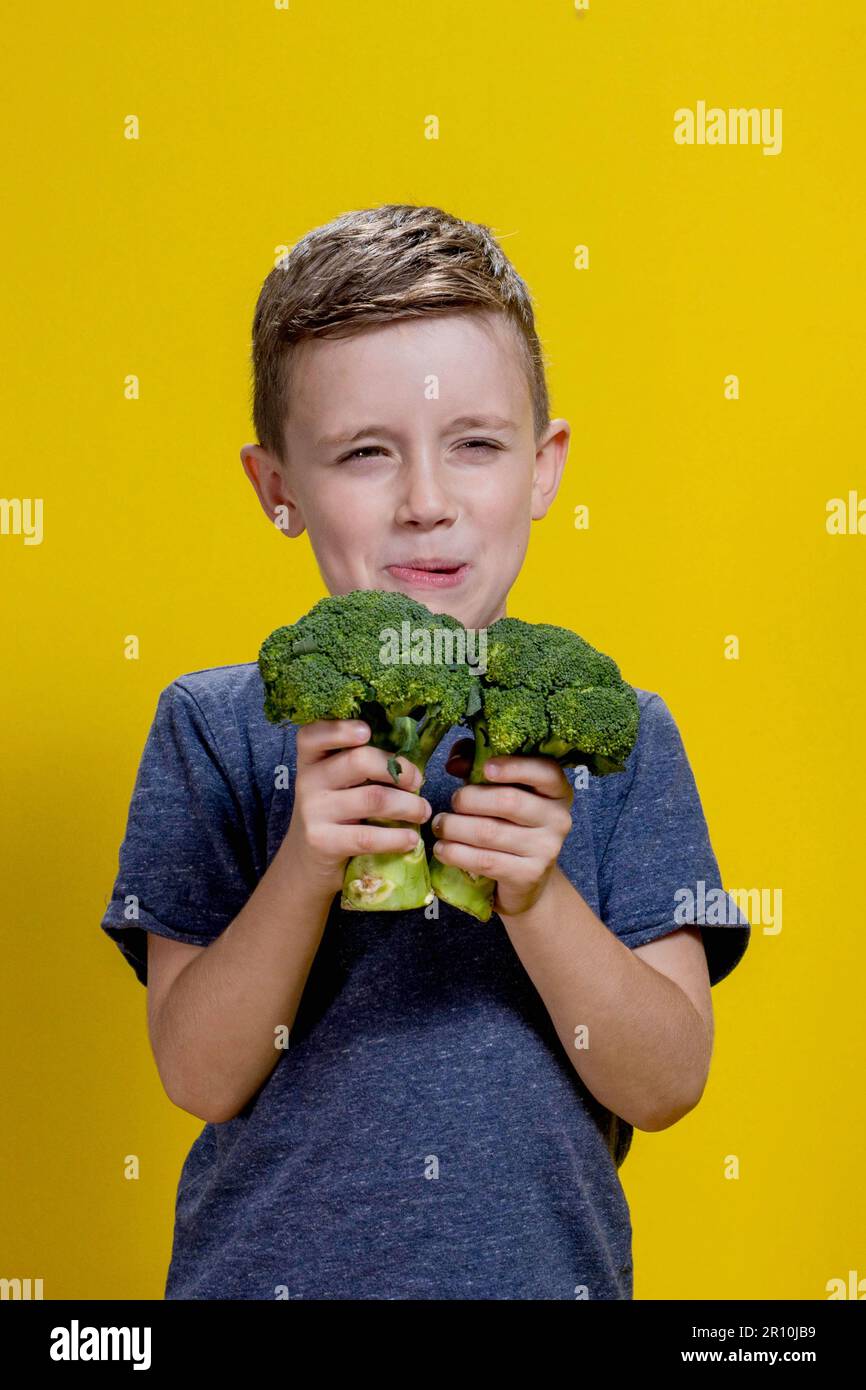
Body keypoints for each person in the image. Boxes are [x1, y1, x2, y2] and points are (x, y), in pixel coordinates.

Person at [100, 202, 751, 1300]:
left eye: (475, 445)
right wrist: (305, 863)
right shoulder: (212, 727)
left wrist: (539, 895)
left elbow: (664, 1081)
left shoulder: (620, 736)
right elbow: (200, 1075)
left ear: (543, 468)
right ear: (277, 490)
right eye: (364, 454)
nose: (426, 504)